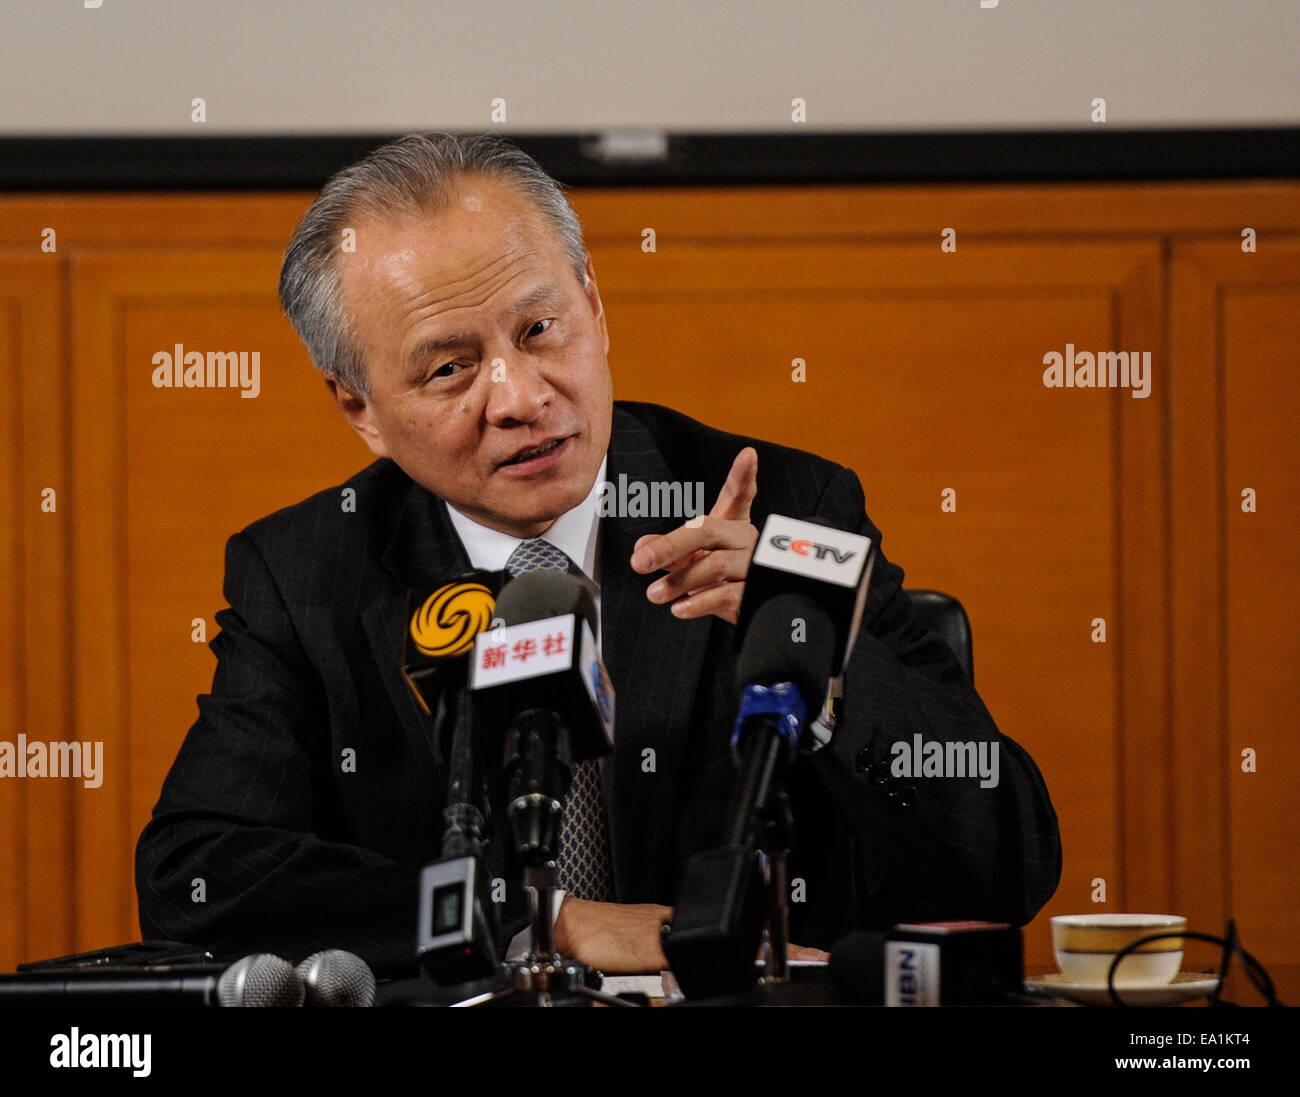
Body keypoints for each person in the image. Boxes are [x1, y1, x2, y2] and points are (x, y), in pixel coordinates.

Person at [136, 133, 1061, 977]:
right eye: (450, 367)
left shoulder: (786, 507)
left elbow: (1008, 865)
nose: (521, 397)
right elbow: (196, 875)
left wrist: (825, 670)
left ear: (595, 307)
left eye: (541, 331)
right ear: (359, 408)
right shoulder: (307, 574)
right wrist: (548, 921)